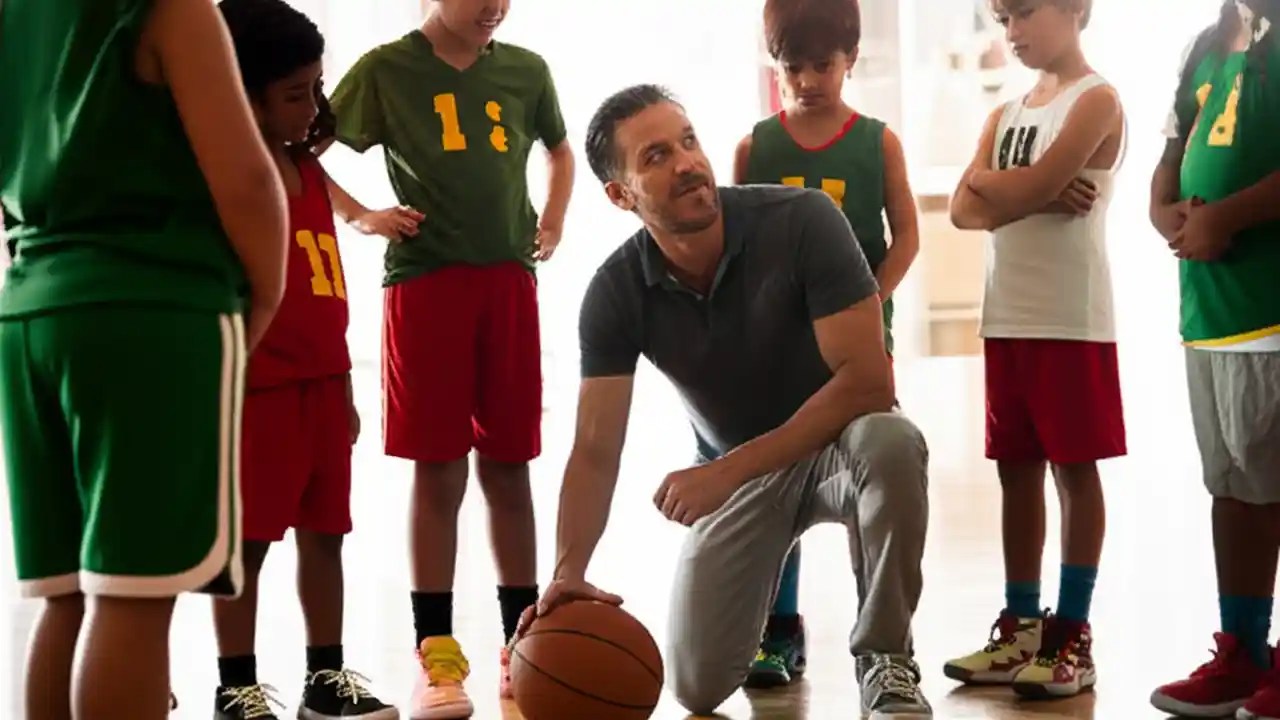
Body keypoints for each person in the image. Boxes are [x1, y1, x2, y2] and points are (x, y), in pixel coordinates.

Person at [514, 83, 932, 719]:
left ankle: (886, 660)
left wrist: (725, 470)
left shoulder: (803, 219)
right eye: (655, 156)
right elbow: (596, 449)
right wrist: (568, 570)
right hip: (743, 485)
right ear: (620, 195)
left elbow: (870, 383)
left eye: (688, 141)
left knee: (892, 440)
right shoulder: (615, 293)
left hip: (834, 448)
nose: (687, 162)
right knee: (697, 684)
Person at [0, 0, 289, 716]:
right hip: (150, 307)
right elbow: (250, 184)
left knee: (63, 594)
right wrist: (264, 297)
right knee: (132, 597)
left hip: (30, 307)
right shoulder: (170, 7)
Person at [323, 0, 576, 715]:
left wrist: (553, 215)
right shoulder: (386, 69)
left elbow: (558, 149)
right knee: (438, 470)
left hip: (508, 285)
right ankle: (436, 655)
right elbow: (299, 150)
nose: (494, 8)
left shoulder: (526, 71)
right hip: (425, 284)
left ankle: (519, 641)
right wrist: (362, 215)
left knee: (510, 465)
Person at [210, 2, 407, 718]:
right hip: (258, 389)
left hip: (324, 384)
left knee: (327, 537)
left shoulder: (307, 169)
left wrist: (348, 387)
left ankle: (325, 677)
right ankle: (234, 685)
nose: (314, 107)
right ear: (242, 93)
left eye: (317, 88)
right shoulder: (231, 173)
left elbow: (329, 275)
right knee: (249, 548)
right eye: (296, 94)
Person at [732, 0, 921, 688]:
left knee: (875, 485)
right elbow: (742, 252)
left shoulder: (878, 141)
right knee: (776, 485)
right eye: (794, 66)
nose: (809, 79)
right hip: (782, 356)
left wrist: (869, 300)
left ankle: (883, 644)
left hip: (861, 352)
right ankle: (779, 630)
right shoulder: (757, 145)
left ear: (850, 58)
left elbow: (906, 237)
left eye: (823, 64)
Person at [942, 0, 1126, 700]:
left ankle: (1070, 635)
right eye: (1003, 20)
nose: (1013, 33)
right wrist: (1006, 187)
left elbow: (1035, 184)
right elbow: (964, 208)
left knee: (1074, 473)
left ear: (1076, 9)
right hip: (1007, 318)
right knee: (1015, 471)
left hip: (1069, 321)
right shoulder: (1005, 114)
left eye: (1024, 14)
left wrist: (997, 185)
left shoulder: (1097, 99)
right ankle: (1022, 625)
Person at [1147, 2, 1280, 718]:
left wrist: (1226, 218)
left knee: (1275, 480)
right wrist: (1169, 212)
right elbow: (1168, 162)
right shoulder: (1201, 48)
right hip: (1209, 311)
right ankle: (1244, 651)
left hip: (1271, 305)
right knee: (1231, 485)